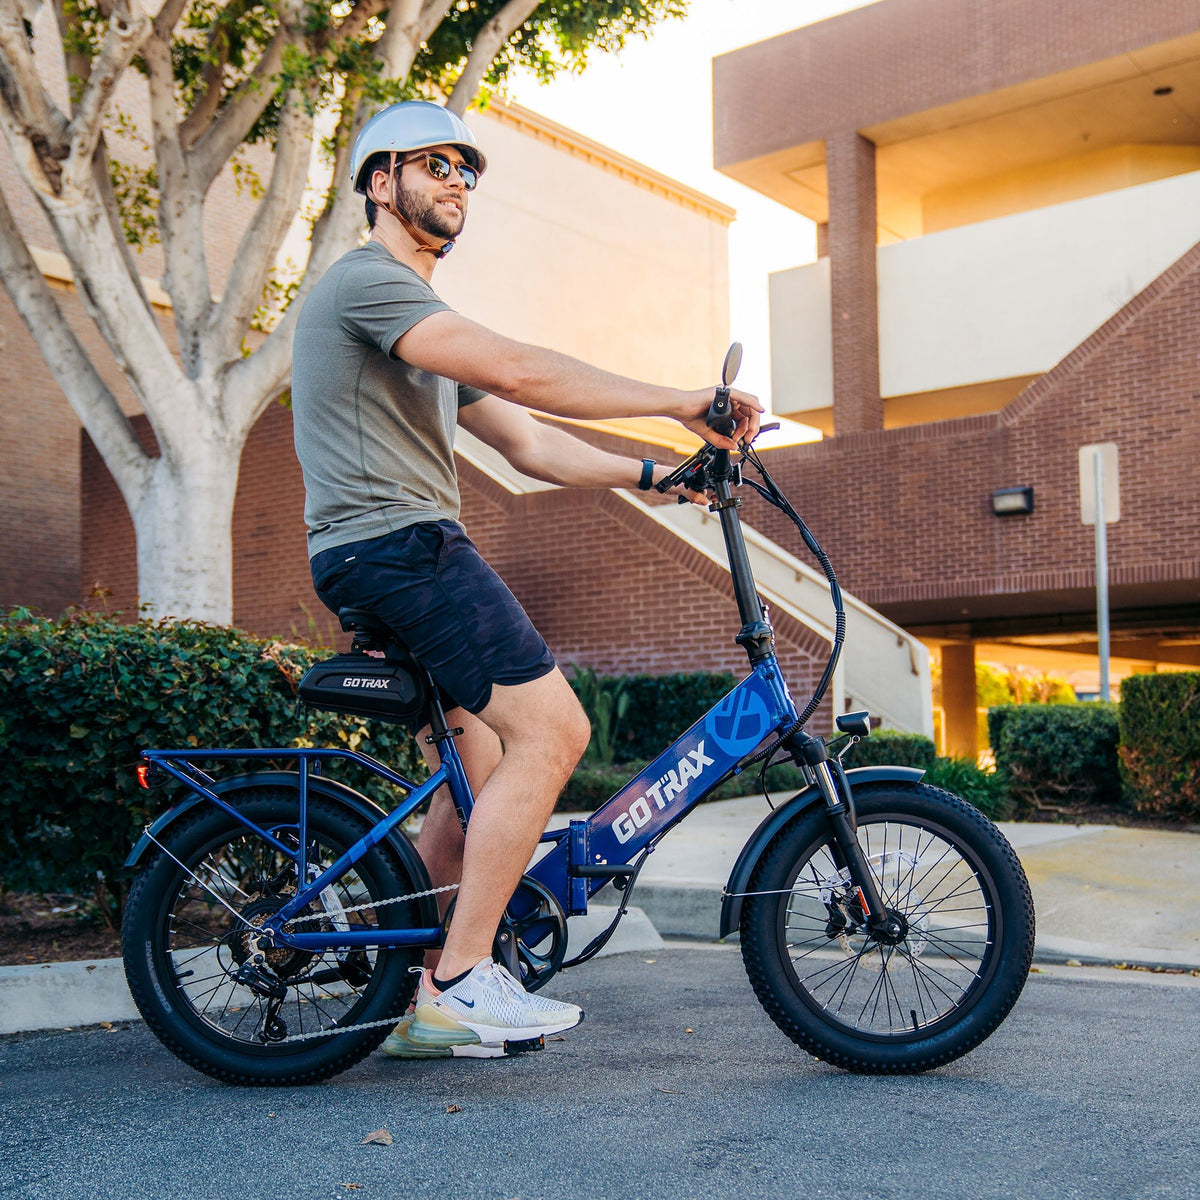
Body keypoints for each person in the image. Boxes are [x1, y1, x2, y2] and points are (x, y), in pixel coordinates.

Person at [291, 100, 761, 1059]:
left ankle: (418, 992)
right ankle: (463, 979)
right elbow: (518, 369)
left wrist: (658, 475)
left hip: (377, 553)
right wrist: (681, 400)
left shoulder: (414, 326)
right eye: (434, 164)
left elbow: (531, 443)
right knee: (555, 731)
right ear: (380, 182)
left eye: (466, 168)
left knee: (473, 779)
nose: (457, 180)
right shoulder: (369, 284)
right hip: (401, 545)